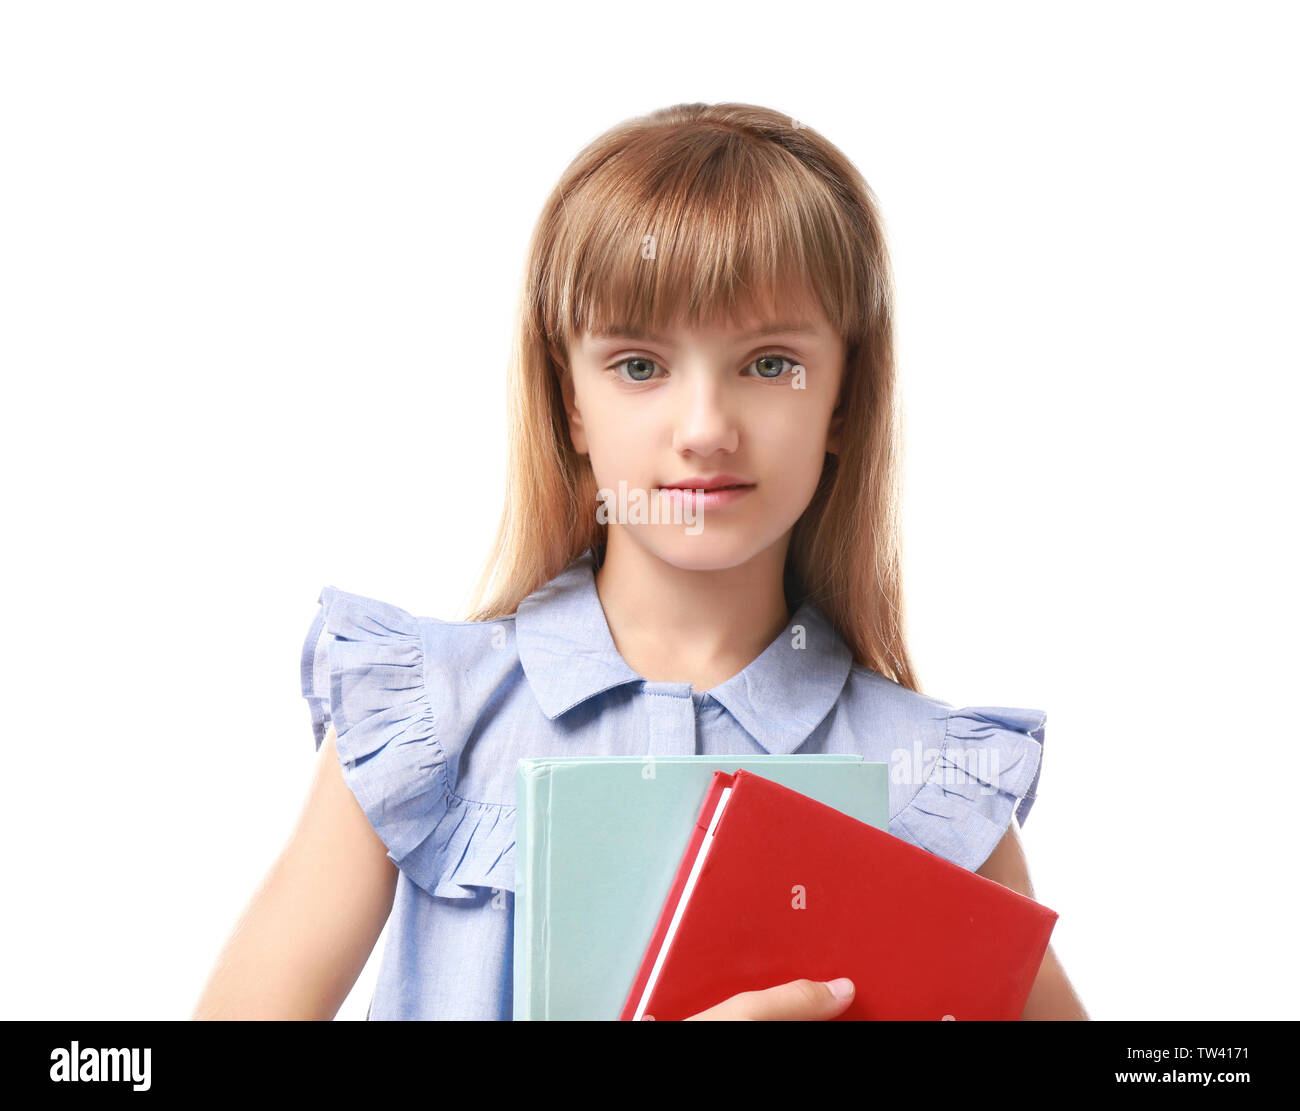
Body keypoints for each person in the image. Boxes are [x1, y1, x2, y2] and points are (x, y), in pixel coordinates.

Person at [193, 101, 1087, 1021]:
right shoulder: (424, 722)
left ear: (845, 400)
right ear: (569, 401)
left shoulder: (936, 783)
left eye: (771, 362)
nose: (705, 430)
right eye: (639, 365)